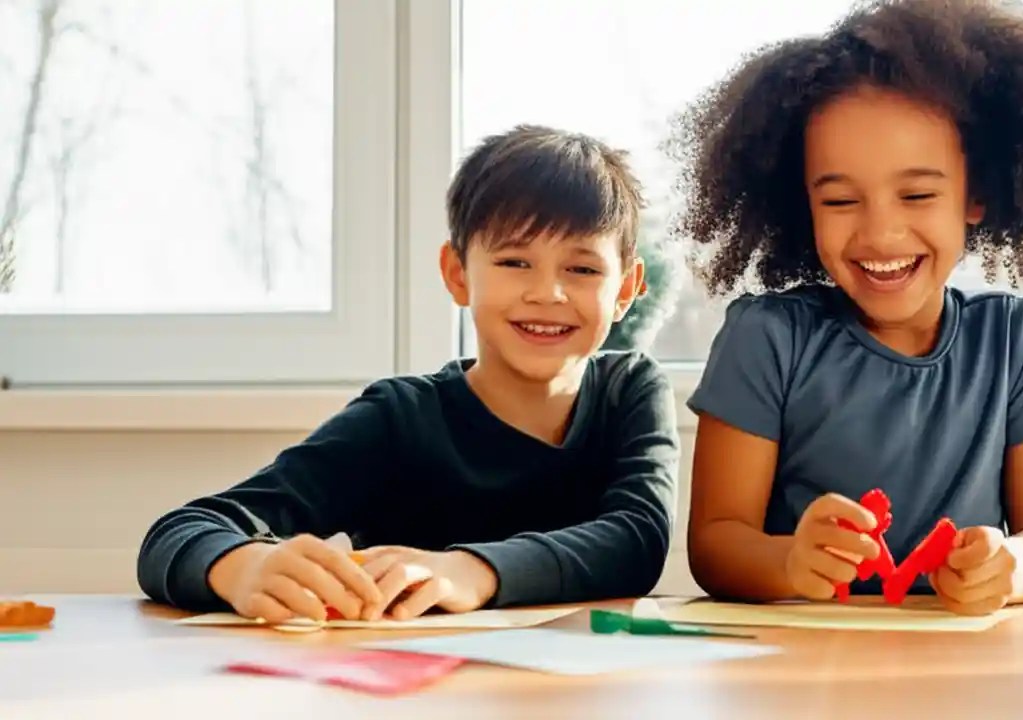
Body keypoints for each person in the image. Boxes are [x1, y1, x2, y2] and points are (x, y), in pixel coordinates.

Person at [670, 0, 1023, 615]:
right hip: (805, 669)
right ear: (802, 205)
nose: (880, 234)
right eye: (841, 200)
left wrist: (1012, 566)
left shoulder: (1020, 338)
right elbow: (715, 546)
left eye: (917, 194)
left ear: (976, 193)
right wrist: (789, 561)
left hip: (961, 671)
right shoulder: (765, 339)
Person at [137, 125, 680, 623]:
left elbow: (637, 540)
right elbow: (176, 534)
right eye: (515, 262)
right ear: (457, 273)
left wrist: (470, 571)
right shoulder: (400, 417)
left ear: (627, 290)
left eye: (582, 269)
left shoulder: (630, 391)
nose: (547, 292)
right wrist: (245, 568)